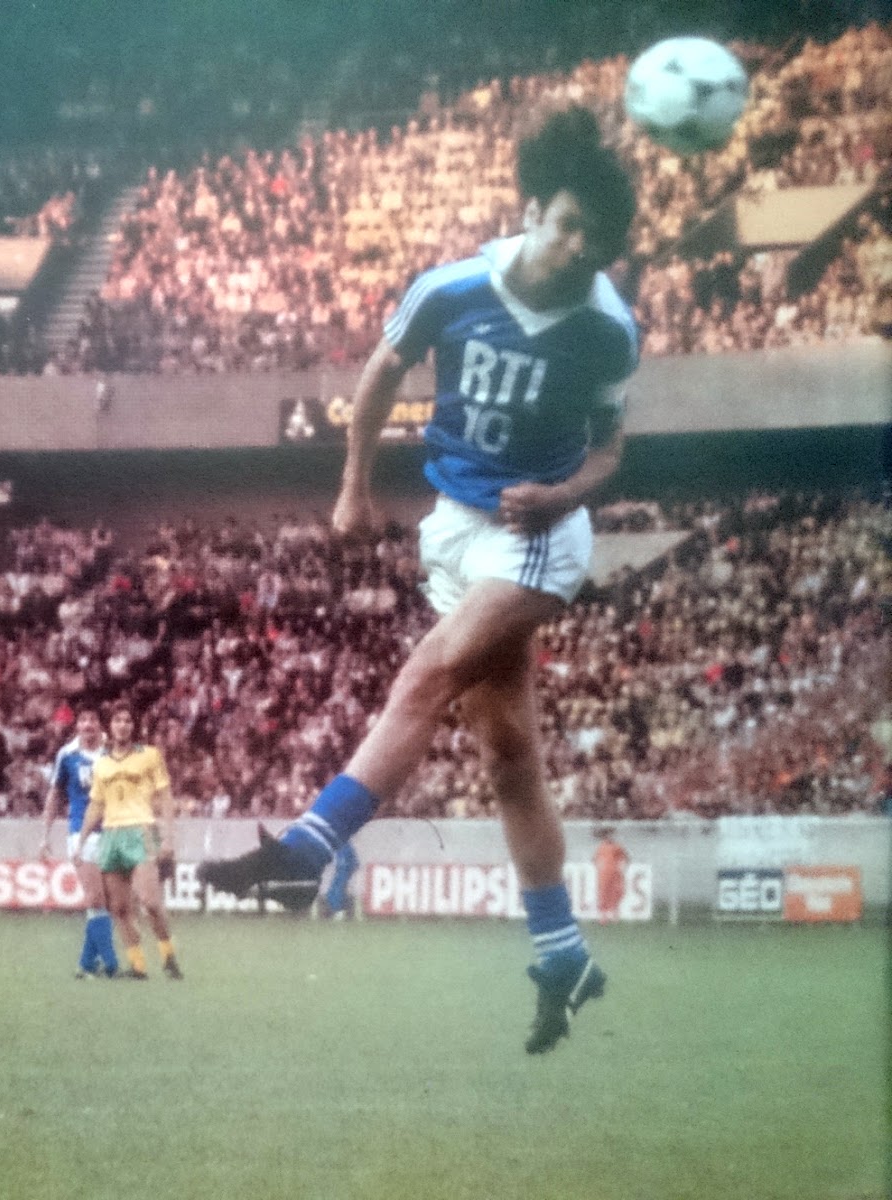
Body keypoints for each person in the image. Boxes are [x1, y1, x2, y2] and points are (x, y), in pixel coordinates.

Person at [201, 108, 637, 1054]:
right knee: (511, 756)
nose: (576, 248)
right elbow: (378, 374)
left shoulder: (607, 330)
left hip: (536, 539)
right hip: (452, 530)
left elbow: (611, 451)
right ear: (532, 209)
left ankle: (303, 854)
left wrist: (563, 493)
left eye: (594, 241)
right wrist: (354, 486)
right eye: (565, 224)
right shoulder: (452, 287)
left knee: (427, 676)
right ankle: (563, 955)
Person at [81, 702, 182, 980]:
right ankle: (138, 966)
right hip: (111, 835)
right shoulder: (101, 764)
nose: (122, 725)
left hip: (141, 831)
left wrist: (168, 839)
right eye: (117, 720)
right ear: (109, 727)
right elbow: (96, 805)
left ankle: (168, 955)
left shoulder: (150, 756)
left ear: (134, 726)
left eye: (127, 720)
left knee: (150, 901)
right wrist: (82, 840)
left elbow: (165, 796)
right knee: (120, 908)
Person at [40, 709, 120, 977]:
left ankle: (86, 965)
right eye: (83, 720)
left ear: (99, 725)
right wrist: (45, 834)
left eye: (93, 720)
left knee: (110, 900)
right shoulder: (67, 755)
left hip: (113, 829)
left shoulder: (114, 749)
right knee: (95, 898)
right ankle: (110, 964)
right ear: (77, 726)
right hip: (81, 832)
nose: (88, 725)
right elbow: (54, 795)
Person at [592, 827, 629, 923]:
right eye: (607, 835)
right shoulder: (601, 847)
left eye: (611, 835)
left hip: (615, 873)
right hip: (604, 874)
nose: (609, 837)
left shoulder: (617, 847)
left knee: (616, 892)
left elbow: (625, 857)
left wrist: (621, 867)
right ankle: (603, 915)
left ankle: (614, 912)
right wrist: (600, 866)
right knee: (603, 892)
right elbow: (594, 859)